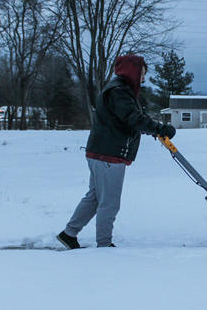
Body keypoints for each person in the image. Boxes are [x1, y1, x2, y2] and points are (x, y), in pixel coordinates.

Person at [57, 54, 176, 249]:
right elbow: (133, 118)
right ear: (133, 72)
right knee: (109, 202)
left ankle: (69, 234)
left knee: (95, 198)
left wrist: (154, 129)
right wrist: (160, 129)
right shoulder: (119, 92)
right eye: (142, 74)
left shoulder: (120, 90)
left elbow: (132, 118)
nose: (143, 79)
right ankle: (104, 246)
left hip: (101, 152)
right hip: (109, 156)